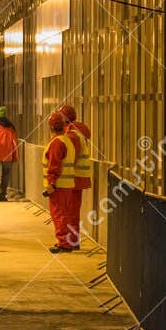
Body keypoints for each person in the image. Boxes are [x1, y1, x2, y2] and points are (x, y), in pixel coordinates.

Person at [41, 111, 80, 252]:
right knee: (67, 215)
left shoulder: (56, 143)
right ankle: (70, 241)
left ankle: (64, 243)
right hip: (67, 185)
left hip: (58, 187)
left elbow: (54, 165)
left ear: (50, 127)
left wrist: (51, 184)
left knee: (59, 215)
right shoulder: (67, 141)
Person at [60, 103, 92, 251]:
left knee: (70, 211)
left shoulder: (72, 135)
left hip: (72, 179)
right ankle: (73, 240)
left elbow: (69, 157)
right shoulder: (78, 132)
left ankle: (71, 241)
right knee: (73, 211)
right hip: (78, 178)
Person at [0, 106, 20, 200]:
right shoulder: (11, 127)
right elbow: (14, 142)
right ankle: (2, 195)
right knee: (6, 174)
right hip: (7, 155)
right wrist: (15, 155)